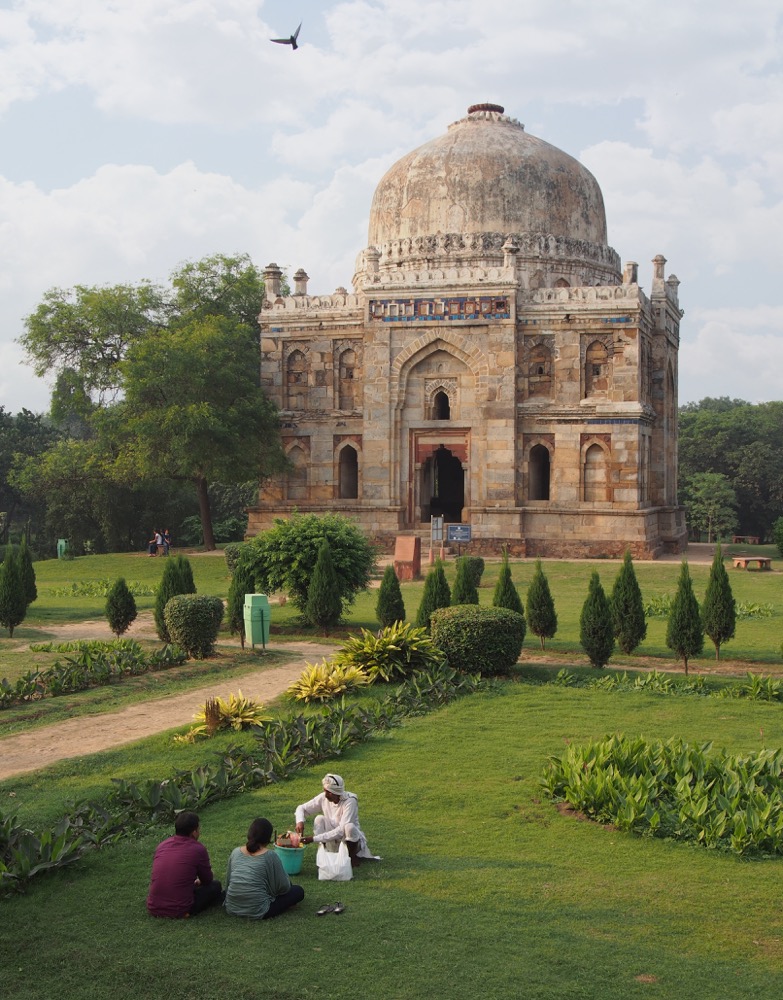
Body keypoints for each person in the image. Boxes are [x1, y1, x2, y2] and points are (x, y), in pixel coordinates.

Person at [224, 817, 304, 919]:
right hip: (258, 909)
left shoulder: (235, 852)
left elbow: (228, 882)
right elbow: (284, 887)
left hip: (232, 907)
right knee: (297, 891)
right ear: (268, 837)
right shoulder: (270, 856)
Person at [146, 811, 223, 918]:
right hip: (179, 909)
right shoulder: (198, 849)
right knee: (215, 886)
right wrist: (200, 881)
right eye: (198, 829)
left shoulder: (162, 845)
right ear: (194, 832)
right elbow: (207, 880)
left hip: (153, 907)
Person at [295, 773, 377, 867]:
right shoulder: (323, 797)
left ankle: (352, 856)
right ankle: (325, 852)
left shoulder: (350, 801)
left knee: (349, 827)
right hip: (331, 838)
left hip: (347, 839)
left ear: (336, 793)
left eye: (328, 792)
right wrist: (300, 822)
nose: (325, 795)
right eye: (325, 791)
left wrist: (313, 839)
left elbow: (341, 831)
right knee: (319, 819)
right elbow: (301, 808)